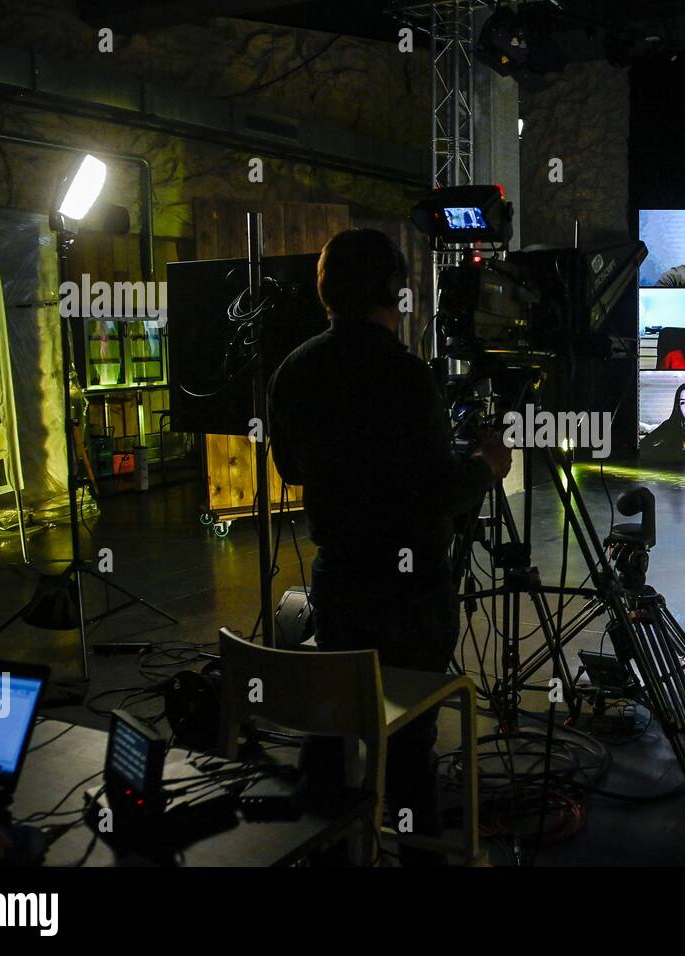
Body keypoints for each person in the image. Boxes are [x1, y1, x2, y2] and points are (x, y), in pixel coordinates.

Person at [268, 228, 512, 866]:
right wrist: (487, 464)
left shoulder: (296, 368)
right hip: (410, 596)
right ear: (395, 293)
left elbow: (292, 465)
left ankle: (318, 846)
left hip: (338, 582)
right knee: (408, 749)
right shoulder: (406, 376)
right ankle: (419, 855)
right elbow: (434, 495)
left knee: (332, 724)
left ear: (326, 291)